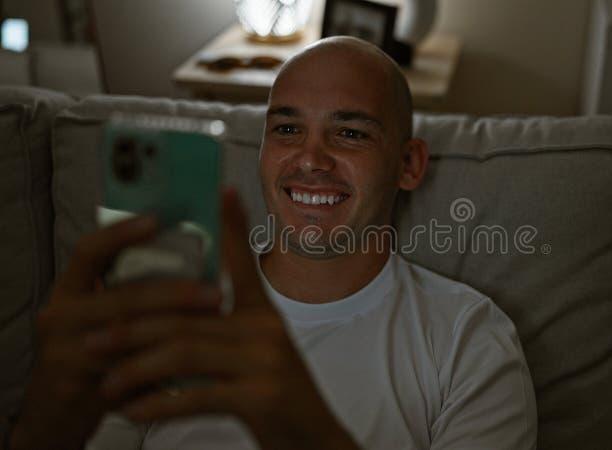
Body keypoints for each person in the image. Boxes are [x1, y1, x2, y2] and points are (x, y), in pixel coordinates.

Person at [6, 37, 536, 450]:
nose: (311, 159)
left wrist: (301, 425)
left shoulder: (468, 340)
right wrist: (43, 425)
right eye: (286, 130)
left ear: (408, 164)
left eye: (350, 133)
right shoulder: (171, 309)